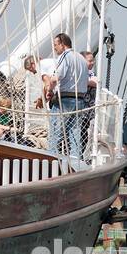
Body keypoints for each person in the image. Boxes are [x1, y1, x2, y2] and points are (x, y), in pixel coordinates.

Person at [43, 32, 90, 165]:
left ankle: (50, 164)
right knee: (74, 134)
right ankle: (76, 164)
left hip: (65, 100)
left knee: (55, 134)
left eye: (56, 45)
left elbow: (58, 76)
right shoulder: (81, 58)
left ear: (63, 45)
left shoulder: (65, 56)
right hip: (80, 100)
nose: (55, 48)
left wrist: (49, 87)